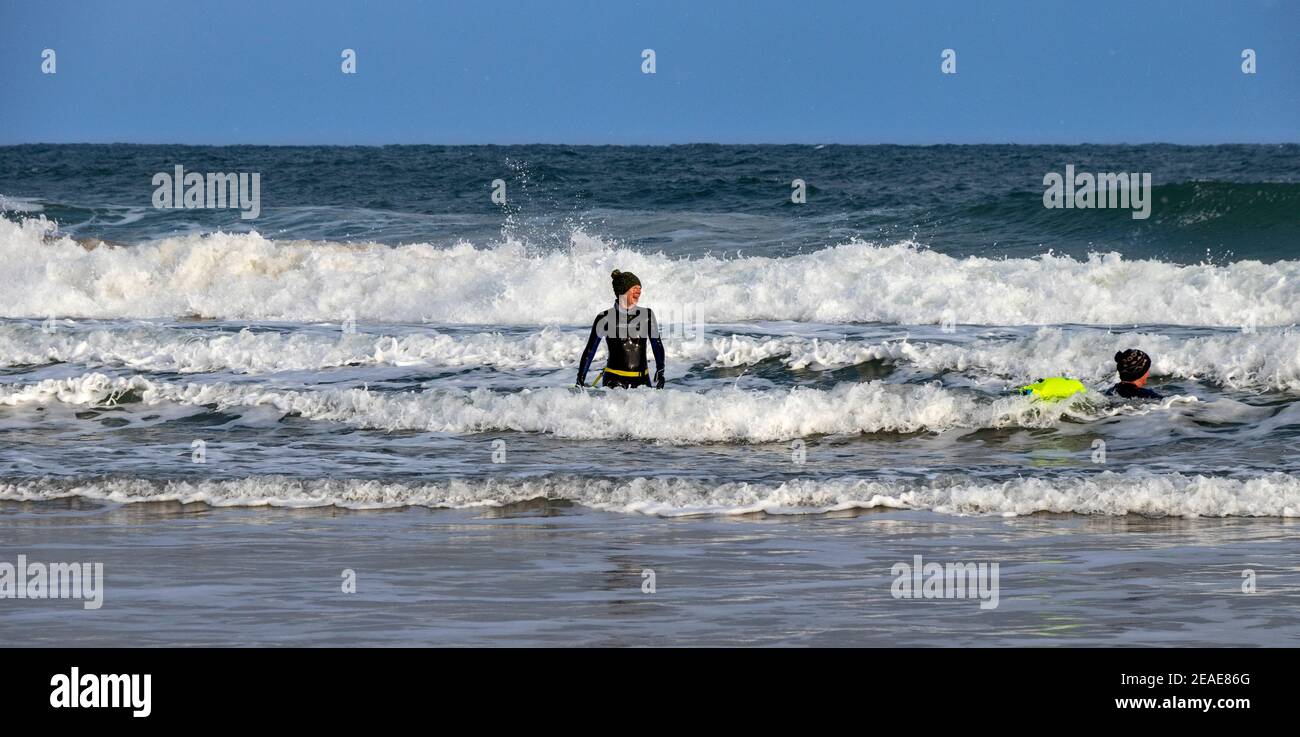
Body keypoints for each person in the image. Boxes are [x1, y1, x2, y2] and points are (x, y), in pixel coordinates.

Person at [576, 269, 666, 389]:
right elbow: (590, 351)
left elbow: (657, 344)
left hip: (642, 381)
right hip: (613, 381)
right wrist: (580, 379)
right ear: (622, 291)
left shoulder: (647, 315)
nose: (639, 291)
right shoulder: (604, 318)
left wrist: (661, 370)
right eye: (634, 287)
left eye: (640, 288)